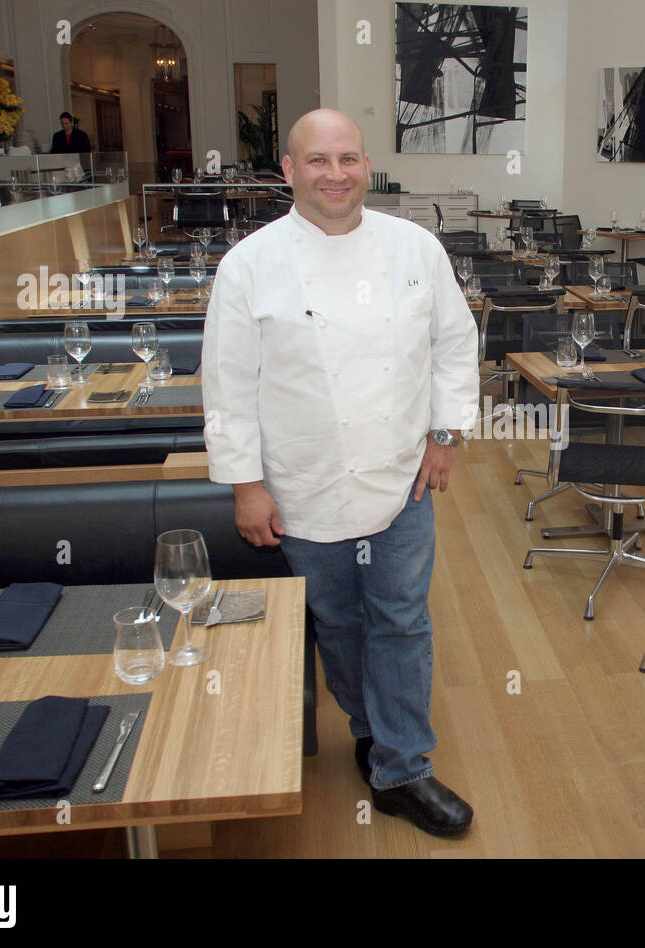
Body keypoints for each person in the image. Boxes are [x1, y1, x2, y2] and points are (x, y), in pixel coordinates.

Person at [201, 109, 479, 837]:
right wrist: (246, 484)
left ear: (366, 166)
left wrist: (445, 433)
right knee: (338, 622)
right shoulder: (248, 265)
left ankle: (403, 767)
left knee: (402, 619)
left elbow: (455, 345)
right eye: (317, 161)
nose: (335, 174)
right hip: (302, 485)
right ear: (288, 171)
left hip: (401, 480)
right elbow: (227, 384)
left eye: (348, 159)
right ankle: (369, 724)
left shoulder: (416, 248)